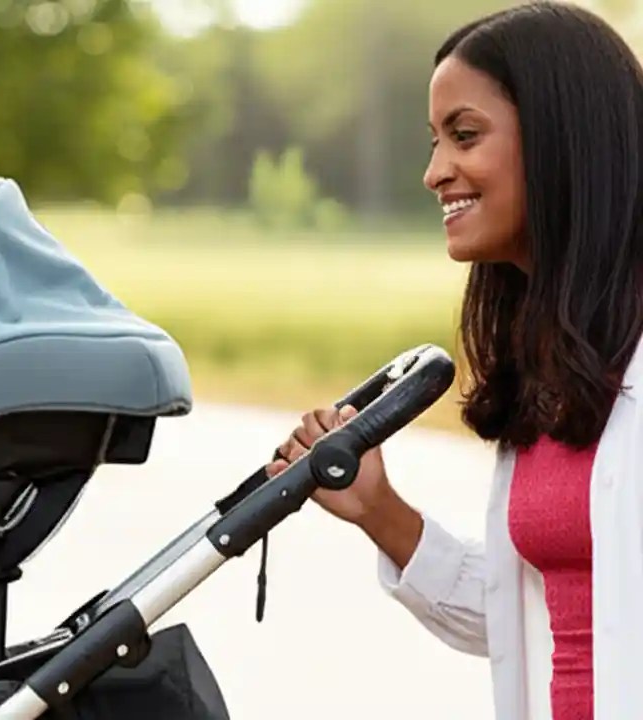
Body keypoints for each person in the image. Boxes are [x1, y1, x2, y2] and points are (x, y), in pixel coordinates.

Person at [265, 3, 643, 719]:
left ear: (564, 141)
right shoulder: (560, 365)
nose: (436, 172)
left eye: (464, 136)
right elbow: (529, 624)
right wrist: (381, 512)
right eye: (435, 141)